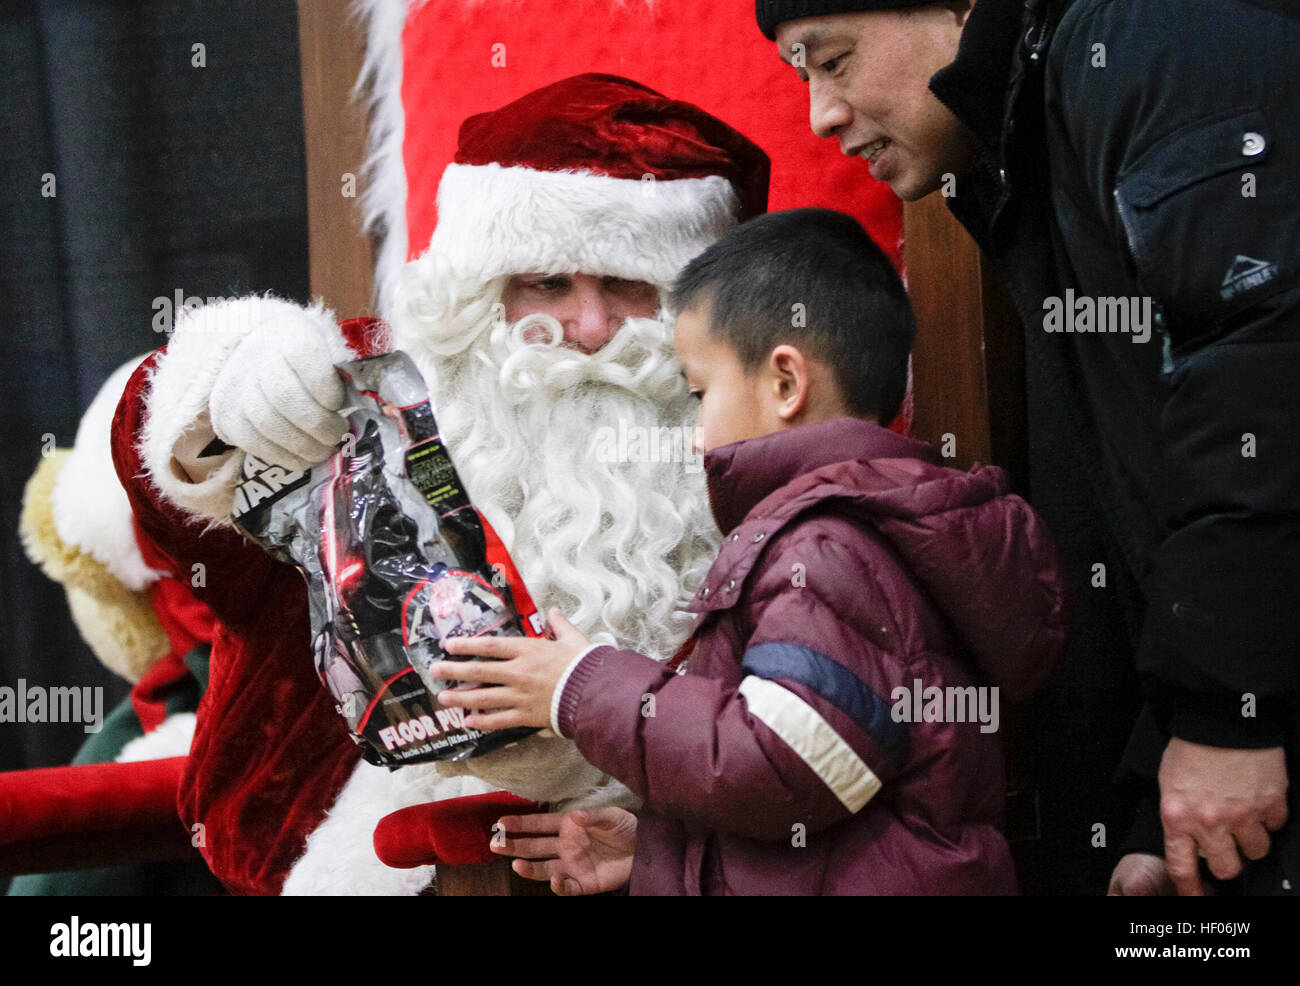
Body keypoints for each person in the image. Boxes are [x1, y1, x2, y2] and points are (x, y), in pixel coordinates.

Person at [109, 73, 770, 894]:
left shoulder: (762, 436)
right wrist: (241, 372)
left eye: (630, 287)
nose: (589, 331)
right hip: (395, 849)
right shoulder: (390, 395)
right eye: (548, 283)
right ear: (479, 293)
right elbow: (175, 478)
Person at [755, 0, 1299, 895]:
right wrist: (1157, 781)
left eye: (836, 61)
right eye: (802, 76)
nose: (822, 114)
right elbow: (1150, 491)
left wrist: (1222, 723)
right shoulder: (1029, 133)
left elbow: (1265, 380)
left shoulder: (1158, 42)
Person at [435, 207, 1069, 895]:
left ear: (786, 384)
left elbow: (788, 763)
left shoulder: (826, 547)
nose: (696, 435)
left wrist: (578, 687)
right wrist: (658, 854)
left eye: (701, 393)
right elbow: (831, 801)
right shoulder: (867, 530)